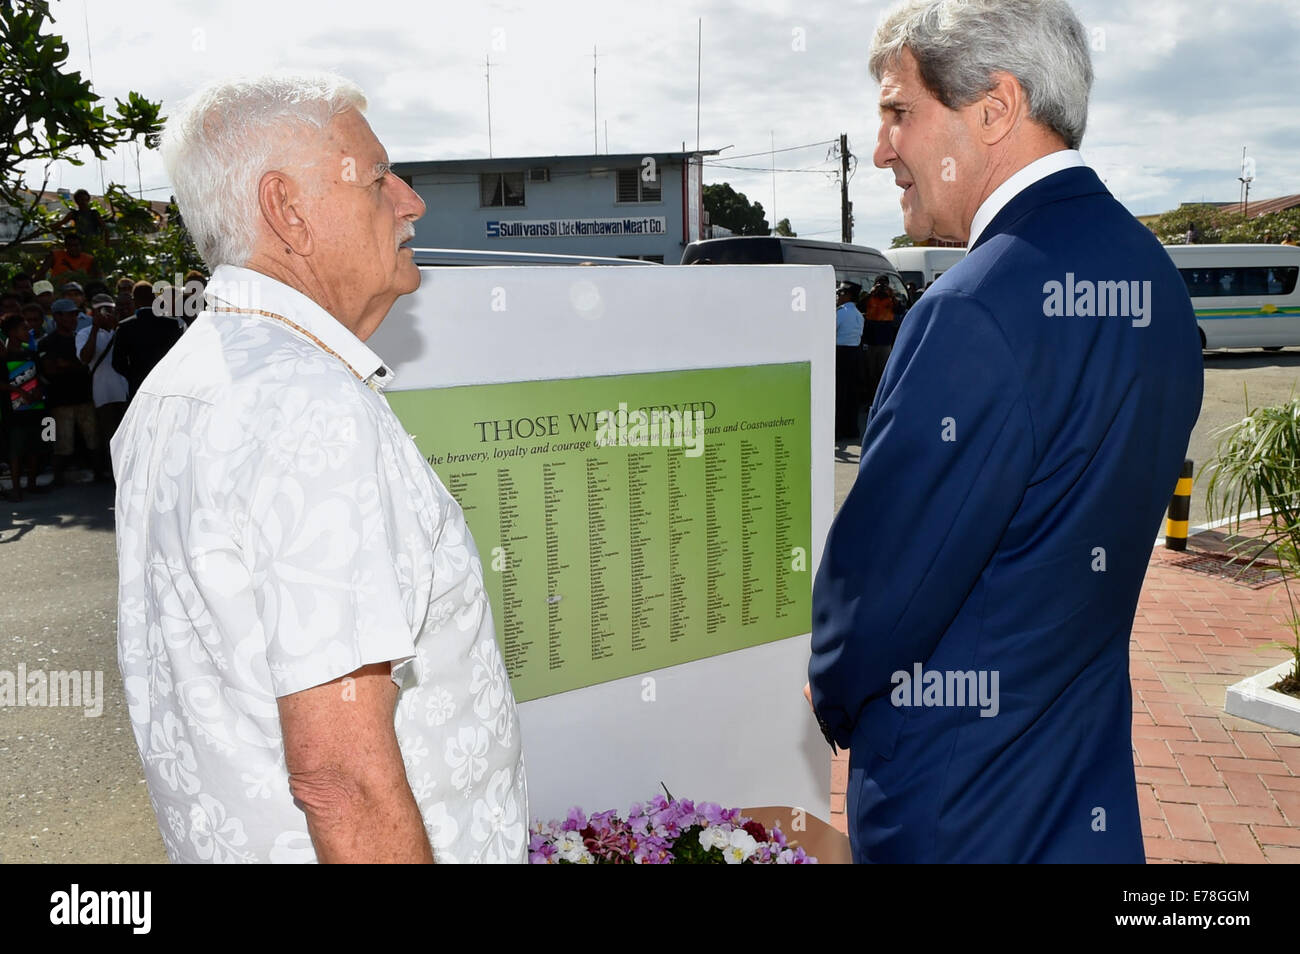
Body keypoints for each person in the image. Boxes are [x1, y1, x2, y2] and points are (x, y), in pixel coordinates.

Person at [807, 0, 1202, 863]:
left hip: (960, 802)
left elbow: (885, 591)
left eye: (898, 112)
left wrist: (829, 686)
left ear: (994, 109)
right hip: (1079, 786)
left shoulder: (972, 308)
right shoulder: (1150, 275)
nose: (881, 150)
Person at [111, 70, 526, 864]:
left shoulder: (178, 385)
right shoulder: (309, 408)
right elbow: (341, 782)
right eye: (377, 179)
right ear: (287, 210)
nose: (411, 201)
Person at [37, 298, 101, 485]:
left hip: (84, 397)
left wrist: (67, 365)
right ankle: (58, 479)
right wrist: (79, 365)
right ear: (57, 317)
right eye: (69, 314)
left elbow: (82, 364)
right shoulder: (47, 342)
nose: (73, 318)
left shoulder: (79, 338)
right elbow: (50, 369)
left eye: (75, 314)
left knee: (93, 439)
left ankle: (99, 474)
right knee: (62, 444)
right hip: (60, 401)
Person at [76, 294, 129, 479]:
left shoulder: (123, 330)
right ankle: (112, 472)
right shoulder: (84, 333)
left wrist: (117, 326)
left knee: (128, 434)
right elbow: (85, 358)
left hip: (125, 391)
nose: (106, 313)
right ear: (93, 312)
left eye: (109, 309)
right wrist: (95, 329)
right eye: (101, 310)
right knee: (108, 435)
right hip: (102, 393)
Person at [110, 281, 184, 402]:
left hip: (139, 387)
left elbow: (117, 362)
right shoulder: (173, 324)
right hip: (166, 386)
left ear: (135, 301)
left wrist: (133, 376)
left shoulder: (125, 326)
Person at [3, 313, 50, 499]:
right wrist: (20, 392)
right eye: (23, 328)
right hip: (13, 411)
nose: (27, 331)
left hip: (35, 408)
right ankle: (16, 488)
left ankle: (31, 484)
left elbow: (42, 376)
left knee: (34, 447)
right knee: (15, 451)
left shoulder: (31, 352)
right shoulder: (4, 356)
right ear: (13, 332)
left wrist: (40, 390)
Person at [861, 276, 900, 409]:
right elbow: (860, 306)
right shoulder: (869, 297)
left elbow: (900, 309)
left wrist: (892, 296)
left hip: (884, 341)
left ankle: (883, 400)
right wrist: (871, 293)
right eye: (879, 284)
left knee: (883, 373)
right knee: (870, 373)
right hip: (871, 341)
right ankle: (871, 400)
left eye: (884, 285)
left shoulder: (891, 298)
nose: (882, 287)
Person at [834, 281, 864, 441]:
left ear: (849, 295)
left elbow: (830, 331)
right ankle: (851, 428)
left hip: (841, 354)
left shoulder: (841, 313)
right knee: (852, 394)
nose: (838, 296)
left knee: (839, 393)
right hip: (855, 354)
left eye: (841, 293)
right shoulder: (858, 314)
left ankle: (838, 430)